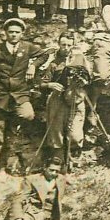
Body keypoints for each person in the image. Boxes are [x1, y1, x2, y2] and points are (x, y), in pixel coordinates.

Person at [0, 18, 46, 179]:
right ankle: (0, 169)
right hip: (0, 95)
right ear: (5, 33)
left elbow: (44, 54)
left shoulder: (27, 47)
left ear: (21, 34)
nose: (13, 35)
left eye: (16, 32)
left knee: (27, 116)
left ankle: (18, 149)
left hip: (19, 94)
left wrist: (33, 65)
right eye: (10, 32)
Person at [39, 32, 90, 165]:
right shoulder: (54, 61)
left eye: (69, 45)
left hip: (76, 97)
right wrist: (50, 85)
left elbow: (89, 77)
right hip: (58, 98)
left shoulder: (80, 58)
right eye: (63, 45)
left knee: (75, 132)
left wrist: (83, 81)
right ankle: (58, 160)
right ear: (59, 45)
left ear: (73, 45)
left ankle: (73, 159)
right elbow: (42, 82)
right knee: (56, 131)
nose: (66, 47)